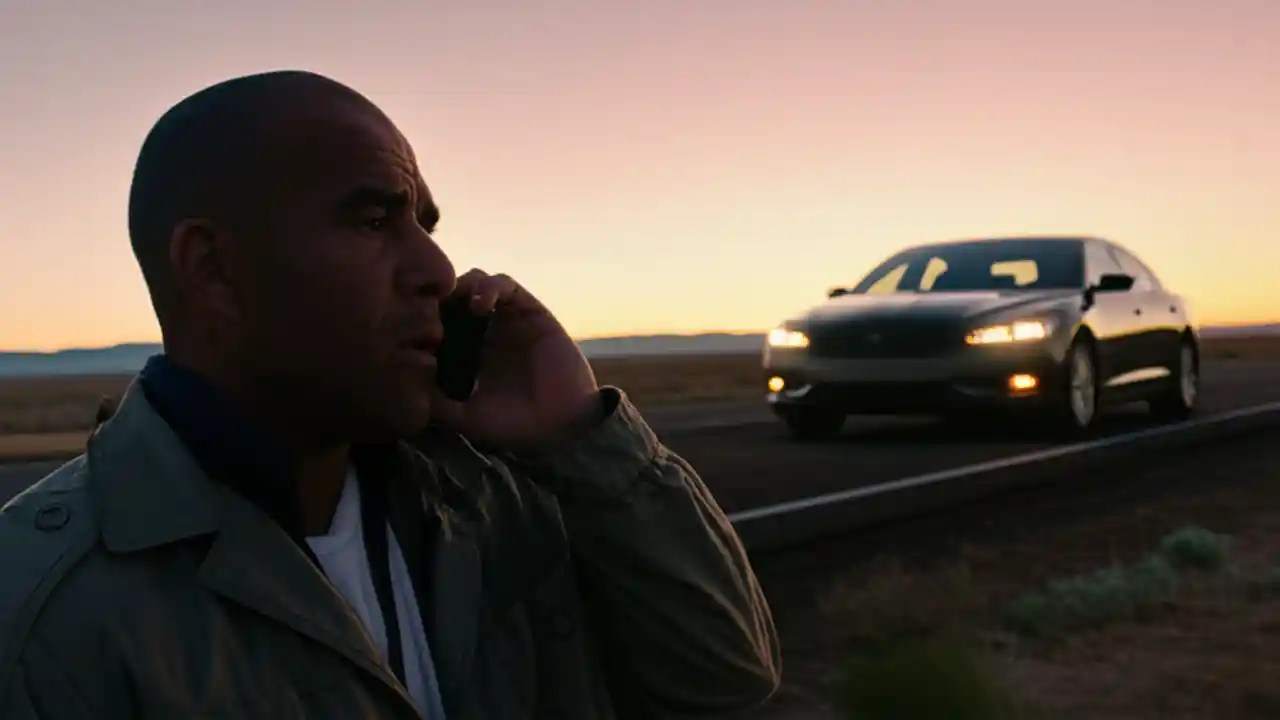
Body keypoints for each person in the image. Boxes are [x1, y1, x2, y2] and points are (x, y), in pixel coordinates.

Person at [0, 71, 780, 719]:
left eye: (425, 222)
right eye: (374, 219)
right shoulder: (40, 612)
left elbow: (724, 680)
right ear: (211, 269)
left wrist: (583, 438)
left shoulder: (500, 499)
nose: (437, 271)